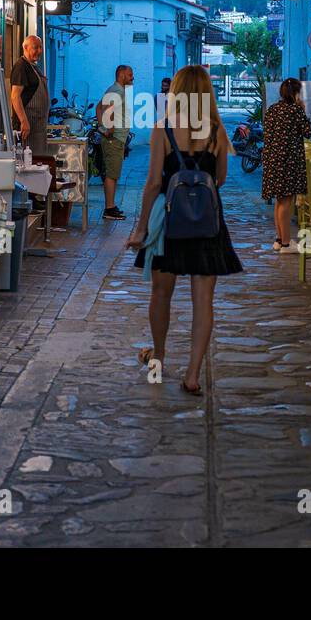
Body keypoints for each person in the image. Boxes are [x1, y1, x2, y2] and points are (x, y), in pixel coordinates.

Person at [126, 65, 242, 396]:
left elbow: (151, 184)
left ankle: (158, 358)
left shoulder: (162, 129)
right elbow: (220, 179)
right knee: (203, 301)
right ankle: (192, 375)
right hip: (207, 224)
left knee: (161, 293)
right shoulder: (218, 130)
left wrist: (140, 229)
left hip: (168, 221)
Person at [261, 77, 311, 253]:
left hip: (272, 159)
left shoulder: (273, 109)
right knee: (286, 203)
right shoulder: (295, 110)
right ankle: (286, 243)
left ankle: (278, 239)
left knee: (279, 201)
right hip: (288, 161)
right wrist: (303, 111)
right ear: (296, 93)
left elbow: (267, 133)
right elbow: (308, 132)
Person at [97, 64, 134, 221]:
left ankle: (111, 205)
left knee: (113, 173)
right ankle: (109, 209)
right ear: (122, 75)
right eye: (130, 74)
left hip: (115, 138)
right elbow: (107, 111)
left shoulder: (113, 89)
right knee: (112, 174)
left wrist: (101, 127)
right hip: (114, 139)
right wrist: (108, 129)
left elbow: (99, 108)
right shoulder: (118, 91)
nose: (133, 77)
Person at [9, 35, 48, 156]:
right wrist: (24, 121)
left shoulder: (34, 67)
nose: (39, 51)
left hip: (38, 128)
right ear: (25, 48)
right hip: (28, 128)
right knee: (27, 164)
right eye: (35, 47)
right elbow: (15, 96)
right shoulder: (21, 67)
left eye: (41, 47)